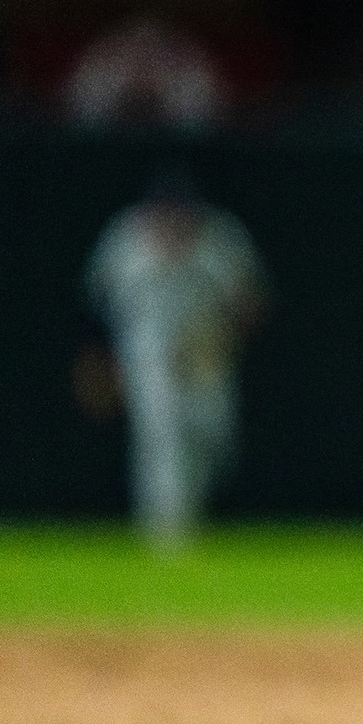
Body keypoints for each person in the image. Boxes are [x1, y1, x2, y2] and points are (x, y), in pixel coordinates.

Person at [85, 169, 266, 553]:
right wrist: (108, 355)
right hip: (145, 349)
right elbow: (99, 299)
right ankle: (166, 533)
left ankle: (184, 514)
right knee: (160, 435)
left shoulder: (220, 240)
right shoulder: (125, 239)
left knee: (213, 437)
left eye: (179, 213)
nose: (171, 221)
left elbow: (250, 302)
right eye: (164, 212)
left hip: (205, 349)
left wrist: (223, 338)